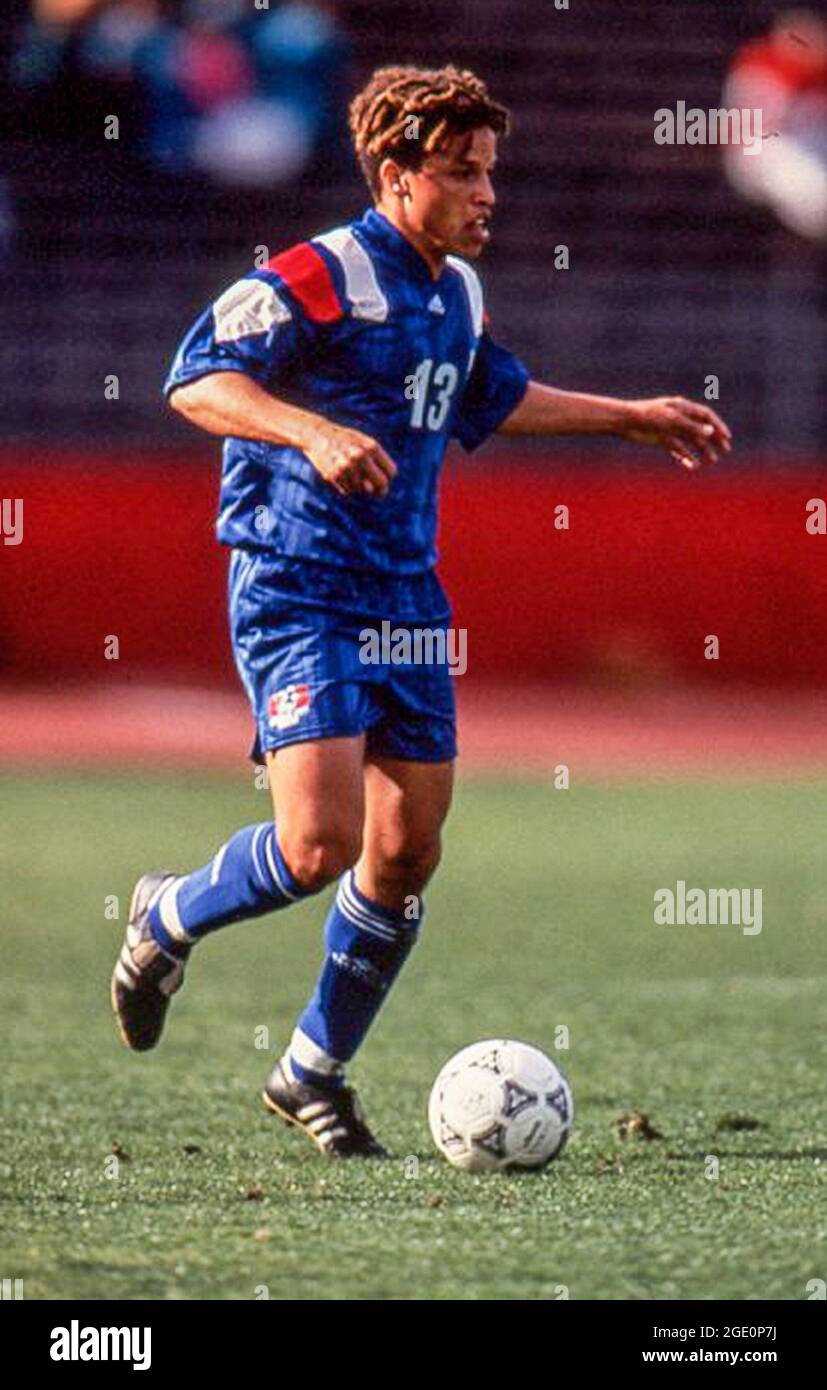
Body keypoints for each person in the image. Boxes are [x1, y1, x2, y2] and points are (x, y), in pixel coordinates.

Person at [111, 64, 731, 1158]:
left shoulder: (455, 291)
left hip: (405, 592)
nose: (486, 194)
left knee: (403, 856)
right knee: (317, 844)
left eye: (489, 171)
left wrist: (624, 416)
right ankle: (165, 914)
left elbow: (489, 395)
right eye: (460, 173)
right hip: (298, 581)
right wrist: (307, 430)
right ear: (395, 176)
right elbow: (193, 377)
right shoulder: (322, 272)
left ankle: (309, 1069)